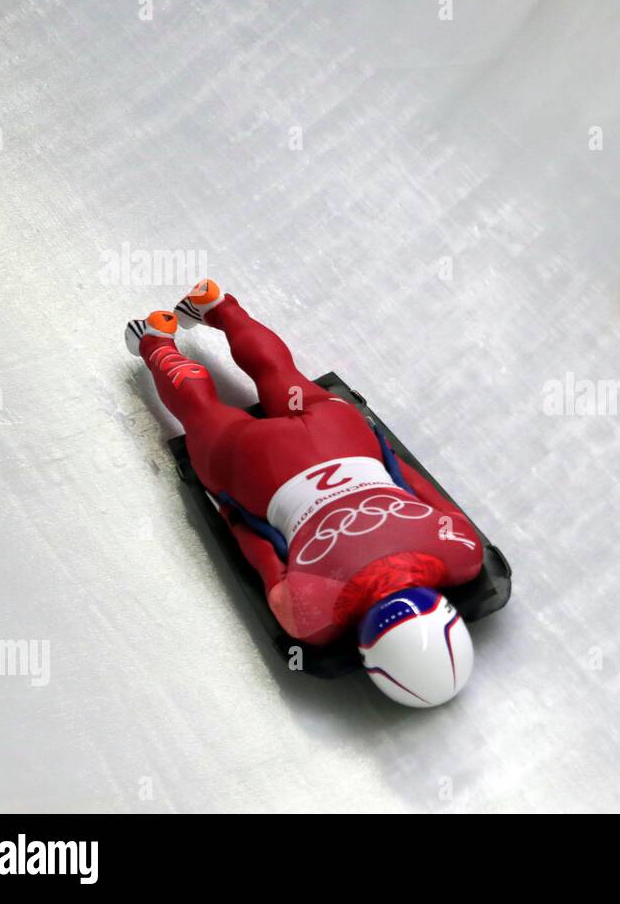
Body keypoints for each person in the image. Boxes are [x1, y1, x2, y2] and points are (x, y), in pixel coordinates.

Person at [126, 280, 481, 706]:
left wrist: (374, 445)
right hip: (258, 466)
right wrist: (228, 503)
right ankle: (154, 340)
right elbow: (256, 547)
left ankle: (219, 306)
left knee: (281, 376)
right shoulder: (311, 619)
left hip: (339, 434)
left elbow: (412, 481)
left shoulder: (464, 554)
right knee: (202, 413)